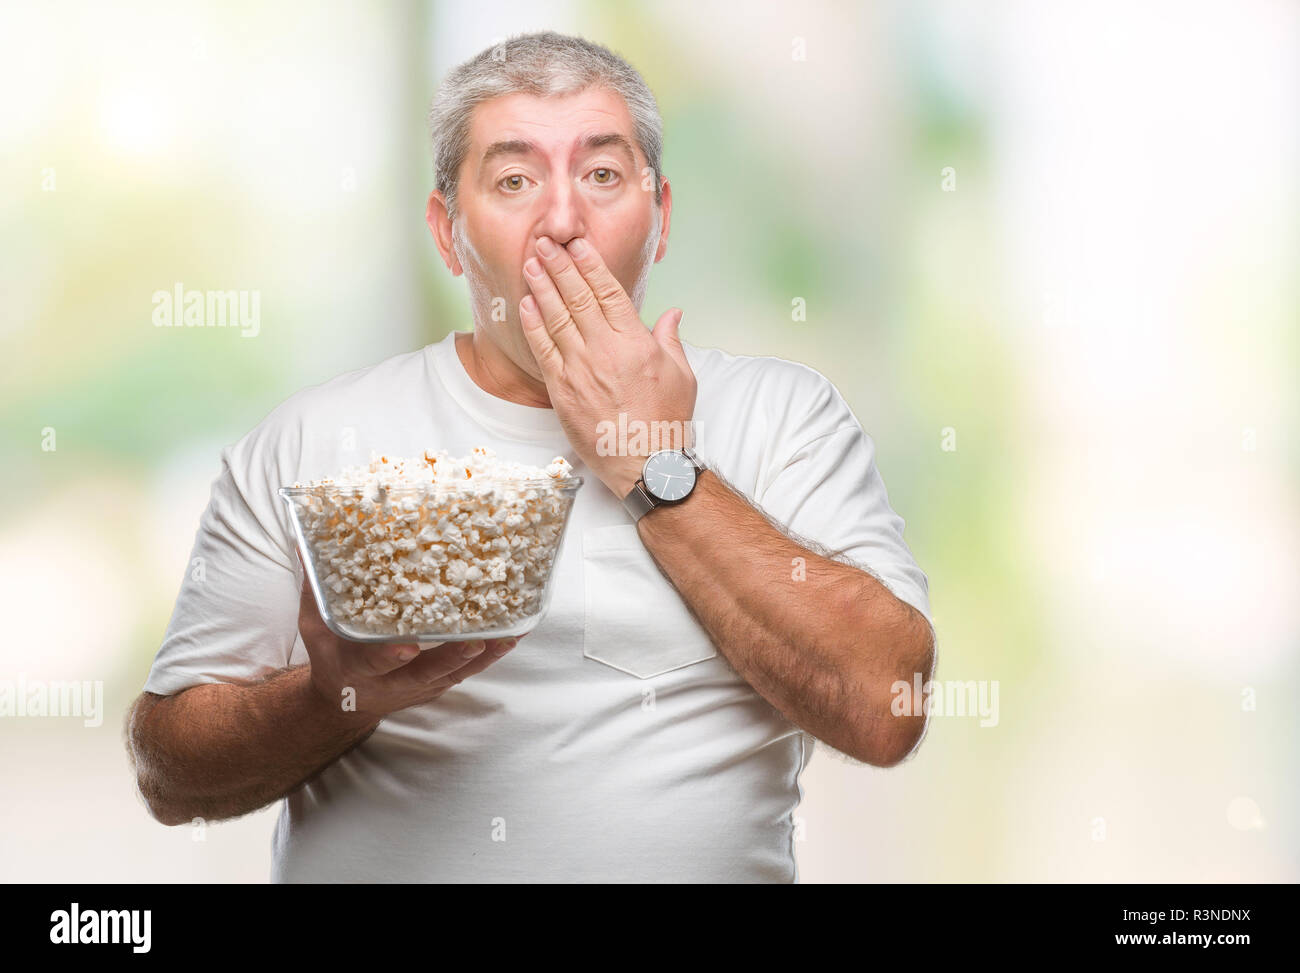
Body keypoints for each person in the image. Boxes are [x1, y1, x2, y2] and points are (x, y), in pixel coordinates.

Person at [127, 29, 935, 883]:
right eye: (514, 180)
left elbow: (888, 707)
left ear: (660, 221)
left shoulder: (785, 417)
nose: (561, 219)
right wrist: (334, 697)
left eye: (602, 175)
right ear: (448, 232)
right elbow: (171, 775)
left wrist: (654, 464)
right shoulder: (315, 440)